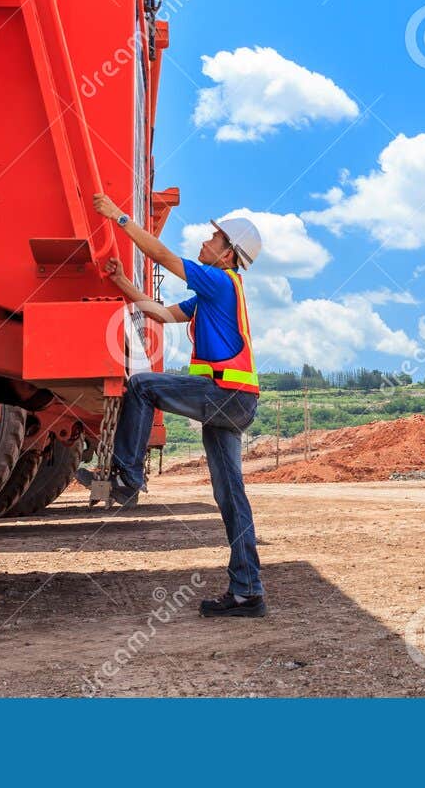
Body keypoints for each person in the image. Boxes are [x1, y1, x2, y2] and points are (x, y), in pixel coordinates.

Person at [82, 191, 268, 618]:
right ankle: (247, 592)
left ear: (227, 254)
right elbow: (162, 314)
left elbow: (164, 256)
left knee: (144, 385)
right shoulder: (214, 294)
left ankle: (127, 477)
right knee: (230, 496)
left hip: (226, 396)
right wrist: (121, 283)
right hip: (231, 402)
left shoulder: (218, 281)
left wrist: (119, 218)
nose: (206, 241)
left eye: (214, 237)